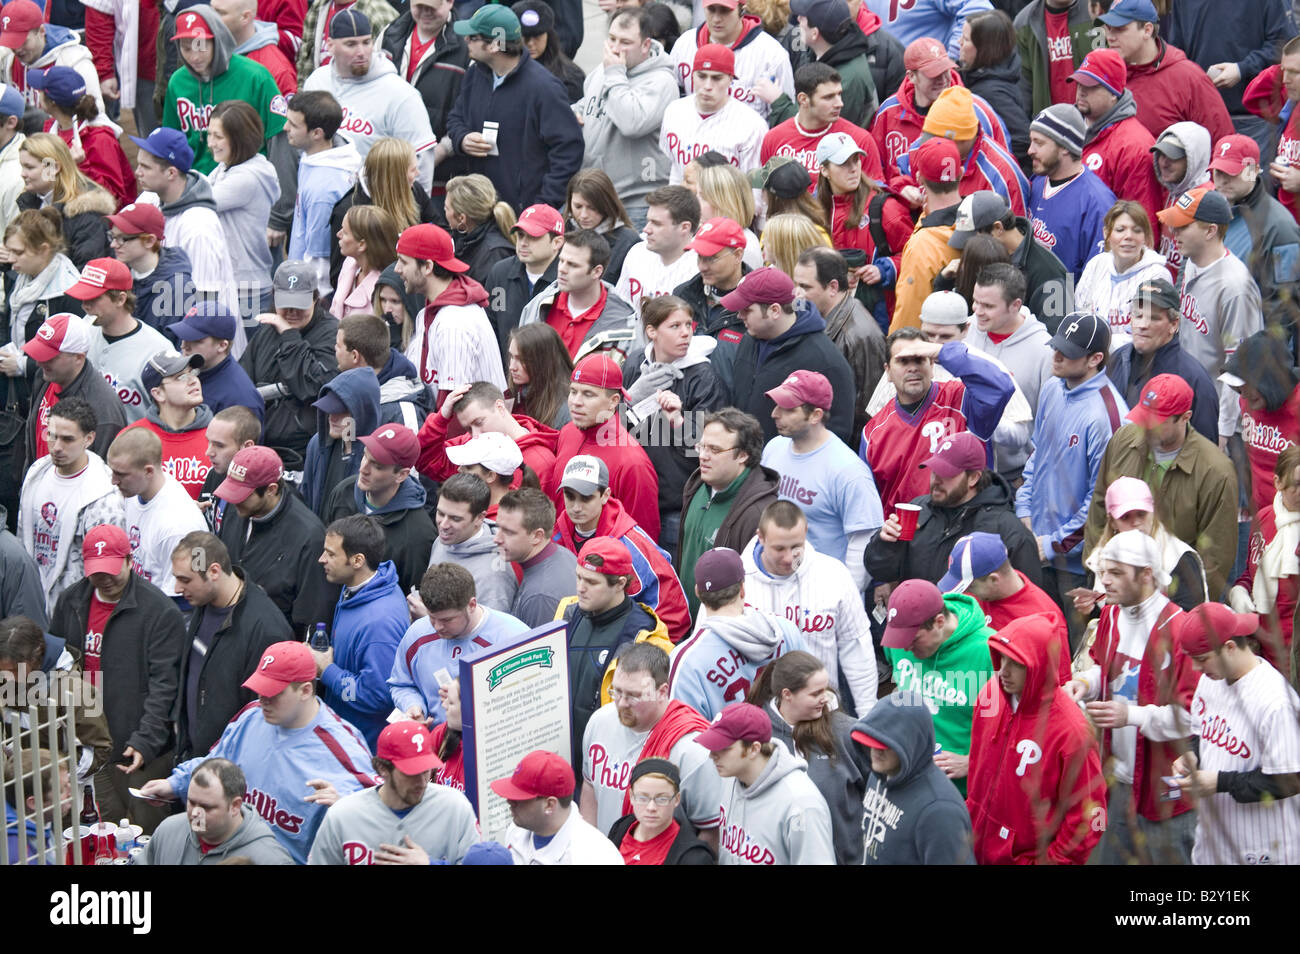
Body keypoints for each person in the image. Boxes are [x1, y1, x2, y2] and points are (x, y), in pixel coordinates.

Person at [137, 640, 379, 864]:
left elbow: (382, 817)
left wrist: (347, 807)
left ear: (305, 690)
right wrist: (175, 784)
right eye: (260, 688)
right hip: (229, 854)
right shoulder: (252, 716)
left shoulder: (342, 749)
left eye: (273, 693)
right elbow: (216, 763)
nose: (262, 699)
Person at [1067, 529, 1197, 864]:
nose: (1104, 582)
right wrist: (1085, 682)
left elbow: (1191, 717)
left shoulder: (1180, 628)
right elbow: (1105, 669)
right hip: (1115, 782)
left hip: (1162, 791)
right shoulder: (1110, 615)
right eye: (1103, 572)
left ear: (1147, 575)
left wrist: (1132, 716)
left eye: (1116, 573)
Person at [49, 523, 185, 828]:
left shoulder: (159, 612)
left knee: (143, 833)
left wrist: (145, 740)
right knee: (96, 832)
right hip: (86, 742)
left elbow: (165, 686)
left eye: (112, 569)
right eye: (97, 571)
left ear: (129, 560)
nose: (105, 579)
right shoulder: (72, 601)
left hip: (135, 748)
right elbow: (58, 665)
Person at [966, 613, 1107, 864]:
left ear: (1041, 664)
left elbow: (1089, 818)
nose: (1004, 671)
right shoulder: (990, 694)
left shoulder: (1072, 731)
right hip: (974, 847)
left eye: (1016, 664)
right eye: (1002, 659)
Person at [1085, 373, 1239, 599]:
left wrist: (1177, 612)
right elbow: (1099, 506)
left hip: (1172, 604)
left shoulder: (1216, 472)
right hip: (1113, 592)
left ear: (1185, 417)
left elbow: (1215, 558)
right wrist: (1098, 576)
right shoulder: (1123, 441)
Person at [1016, 313, 1126, 630]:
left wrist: (1051, 545)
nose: (1057, 356)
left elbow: (1102, 505)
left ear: (1095, 359)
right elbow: (1037, 456)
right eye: (1057, 346)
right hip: (1035, 547)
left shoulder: (1107, 415)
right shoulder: (1052, 388)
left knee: (1069, 657)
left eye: (1069, 352)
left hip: (1076, 567)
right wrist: (1024, 510)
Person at [1173, 602, 1300, 864]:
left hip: (1263, 846)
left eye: (1202, 658)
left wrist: (1221, 782)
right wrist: (1191, 755)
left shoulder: (1276, 702)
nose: (1196, 668)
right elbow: (1199, 733)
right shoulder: (1212, 680)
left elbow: (1291, 780)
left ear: (1230, 647)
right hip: (1213, 839)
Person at [741, 501, 876, 717]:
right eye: (779, 548)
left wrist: (868, 714)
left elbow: (856, 647)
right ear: (761, 537)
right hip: (760, 719)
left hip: (823, 714)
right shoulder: (738, 581)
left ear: (805, 532)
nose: (788, 557)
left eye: (796, 547)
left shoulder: (833, 574)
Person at [442, 4, 583, 211]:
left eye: (473, 37)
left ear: (494, 45)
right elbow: (455, 118)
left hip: (522, 215)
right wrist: (462, 138)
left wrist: (541, 206)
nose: (466, 41)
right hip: (481, 210)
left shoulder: (544, 88)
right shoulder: (475, 75)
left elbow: (569, 151)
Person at [580, 641, 720, 847]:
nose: (621, 703)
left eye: (633, 696)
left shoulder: (692, 749)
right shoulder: (600, 721)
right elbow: (589, 787)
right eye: (616, 692)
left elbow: (711, 832)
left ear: (662, 691)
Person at [860, 329, 1015, 513]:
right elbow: (868, 502)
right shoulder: (873, 433)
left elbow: (1001, 388)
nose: (912, 368)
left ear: (932, 364)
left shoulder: (962, 400)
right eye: (903, 361)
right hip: (906, 536)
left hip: (964, 531)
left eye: (919, 359)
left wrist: (943, 352)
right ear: (888, 371)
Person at [170, 530, 292, 761]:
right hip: (196, 757)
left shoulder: (265, 630)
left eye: (185, 580)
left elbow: (264, 718)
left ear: (214, 571)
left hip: (230, 769)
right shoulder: (204, 602)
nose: (176, 588)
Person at [865, 429, 1043, 587]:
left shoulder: (1006, 529)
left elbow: (1027, 602)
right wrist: (886, 543)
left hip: (973, 624)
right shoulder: (918, 509)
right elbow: (881, 571)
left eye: (947, 473)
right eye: (934, 471)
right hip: (922, 623)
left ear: (973, 478)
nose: (936, 480)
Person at [622, 295, 728, 554]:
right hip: (633, 494)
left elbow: (703, 449)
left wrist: (678, 421)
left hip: (676, 503)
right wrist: (629, 400)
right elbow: (610, 428)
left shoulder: (703, 377)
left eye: (688, 325)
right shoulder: (635, 364)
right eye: (675, 326)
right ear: (651, 331)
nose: (685, 334)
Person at [1157, 187, 1264, 442]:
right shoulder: (1191, 261)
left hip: (1219, 418)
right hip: (1190, 403)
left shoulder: (1235, 288)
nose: (1174, 232)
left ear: (1210, 230)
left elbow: (1241, 367)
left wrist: (1223, 432)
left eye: (1183, 226)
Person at [761, 370, 881, 584]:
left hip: (821, 593)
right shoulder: (773, 448)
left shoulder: (848, 471)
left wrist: (844, 597)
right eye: (777, 405)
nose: (775, 414)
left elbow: (862, 542)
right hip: (775, 584)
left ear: (815, 415)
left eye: (788, 408)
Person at [748, 650, 865, 865]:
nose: (825, 698)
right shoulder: (758, 736)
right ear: (787, 694)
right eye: (815, 693)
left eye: (825, 690)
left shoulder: (846, 732)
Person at [554, 455, 690, 640]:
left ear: (605, 495)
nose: (576, 507)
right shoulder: (557, 532)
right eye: (570, 496)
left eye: (586, 498)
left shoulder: (631, 544)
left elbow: (674, 610)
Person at [880, 578, 995, 796]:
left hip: (963, 791)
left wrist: (974, 761)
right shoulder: (901, 642)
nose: (904, 647)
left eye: (913, 640)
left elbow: (1013, 729)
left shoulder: (988, 652)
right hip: (910, 778)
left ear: (939, 621)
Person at [309, 719, 479, 865]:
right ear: (382, 768)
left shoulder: (456, 807)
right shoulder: (342, 816)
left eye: (426, 770)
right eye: (411, 773)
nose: (422, 781)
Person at [300, 9, 436, 188]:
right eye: (351, 44)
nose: (362, 52)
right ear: (330, 45)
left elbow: (421, 163)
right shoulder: (317, 81)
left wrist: (414, 213)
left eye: (366, 42)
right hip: (319, 195)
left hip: (372, 208)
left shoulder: (400, 94)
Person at [558, 537, 671, 753]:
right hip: (563, 751)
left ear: (620, 583)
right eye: (579, 578)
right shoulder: (567, 613)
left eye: (591, 582)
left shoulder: (646, 636)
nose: (580, 588)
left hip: (609, 756)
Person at [725, 267, 858, 447]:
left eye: (747, 310)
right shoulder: (749, 340)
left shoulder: (825, 361)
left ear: (774, 310)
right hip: (743, 462)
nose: (739, 316)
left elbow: (837, 432)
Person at [160, 4, 292, 184]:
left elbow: (279, 139)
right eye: (186, 48)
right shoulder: (178, 82)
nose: (194, 57)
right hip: (194, 186)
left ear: (217, 39)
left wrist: (281, 203)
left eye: (201, 46)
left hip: (246, 182)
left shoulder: (255, 76)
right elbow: (171, 143)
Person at [668, 546, 804, 719]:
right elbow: (813, 692)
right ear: (742, 588)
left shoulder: (687, 661)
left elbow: (682, 731)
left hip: (729, 746)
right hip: (789, 744)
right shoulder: (785, 629)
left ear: (698, 594)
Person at [215, 444, 338, 632]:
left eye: (242, 494)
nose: (233, 499)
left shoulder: (309, 538)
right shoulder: (238, 508)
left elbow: (313, 616)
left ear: (271, 489)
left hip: (273, 645)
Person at [695, 700, 835, 865]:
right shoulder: (730, 778)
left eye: (724, 748)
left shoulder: (802, 805)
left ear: (754, 749)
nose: (712, 755)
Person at [388, 562, 529, 725]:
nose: (437, 627)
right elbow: (401, 684)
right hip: (438, 746)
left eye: (447, 620)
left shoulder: (513, 638)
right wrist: (413, 706)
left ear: (472, 605)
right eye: (432, 617)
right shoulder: (417, 634)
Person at [574, 5, 677, 228]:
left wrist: (614, 74)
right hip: (594, 199)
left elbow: (632, 122)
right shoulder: (603, 71)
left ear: (646, 45)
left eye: (625, 42)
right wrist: (574, 113)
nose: (616, 48)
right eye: (612, 39)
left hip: (635, 206)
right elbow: (587, 105)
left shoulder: (661, 82)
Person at [18, 397, 123, 613]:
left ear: (89, 438)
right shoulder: (37, 473)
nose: (56, 447)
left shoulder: (103, 495)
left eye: (67, 439)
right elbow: (22, 536)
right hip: (32, 601)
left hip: (74, 610)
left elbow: (107, 569)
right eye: (52, 436)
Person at [314, 514, 407, 748]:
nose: (321, 559)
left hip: (363, 748)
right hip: (344, 733)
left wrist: (327, 670)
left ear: (357, 561)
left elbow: (377, 697)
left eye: (331, 554)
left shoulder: (379, 624)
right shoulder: (354, 589)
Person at [850, 689, 975, 864]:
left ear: (911, 744)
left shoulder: (941, 811)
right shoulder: (879, 775)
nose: (875, 752)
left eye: (885, 745)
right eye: (871, 741)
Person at [677, 408, 780, 617]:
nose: (703, 457)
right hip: (684, 624)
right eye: (702, 447)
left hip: (721, 631)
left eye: (714, 450)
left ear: (743, 455)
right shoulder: (697, 486)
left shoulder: (758, 515)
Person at [130, 127, 241, 323]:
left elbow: (203, 302)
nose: (137, 172)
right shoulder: (153, 200)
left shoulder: (198, 226)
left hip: (203, 341)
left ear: (171, 173)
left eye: (145, 167)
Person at [870, 35, 1009, 184]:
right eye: (934, 75)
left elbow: (1003, 167)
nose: (943, 80)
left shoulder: (976, 109)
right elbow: (874, 173)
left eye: (945, 71)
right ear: (912, 77)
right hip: (905, 204)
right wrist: (897, 194)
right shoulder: (888, 112)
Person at [240, 259, 341, 463]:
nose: (292, 312)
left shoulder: (333, 333)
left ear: (315, 298)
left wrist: (289, 335)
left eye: (299, 304)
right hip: (260, 446)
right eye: (285, 304)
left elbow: (313, 386)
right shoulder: (267, 330)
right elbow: (242, 383)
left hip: (305, 453)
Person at [551, 353, 660, 539]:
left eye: (588, 394)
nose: (576, 402)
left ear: (613, 401)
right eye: (573, 391)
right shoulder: (568, 432)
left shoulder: (633, 463)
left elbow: (642, 542)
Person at [393, 222, 504, 401]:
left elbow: (454, 410)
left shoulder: (453, 323)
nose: (397, 269)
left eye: (403, 262)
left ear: (428, 267)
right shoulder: (433, 311)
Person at [321, 424, 434, 595]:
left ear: (401, 475)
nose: (363, 469)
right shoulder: (344, 491)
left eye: (377, 466)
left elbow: (412, 597)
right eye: (365, 456)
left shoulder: (419, 534)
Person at [940, 531, 1070, 679]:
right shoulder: (973, 594)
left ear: (993, 579)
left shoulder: (1044, 618)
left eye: (970, 587)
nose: (965, 593)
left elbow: (1057, 684)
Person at [1099, 0, 1233, 143]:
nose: (1110, 37)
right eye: (1108, 28)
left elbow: (1224, 145)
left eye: (1120, 29)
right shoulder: (1104, 75)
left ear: (1147, 30)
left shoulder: (1188, 78)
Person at [1106, 277, 1219, 443]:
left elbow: (1204, 454)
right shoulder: (1117, 359)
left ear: (1174, 325)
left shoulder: (1193, 378)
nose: (1142, 325)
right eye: (1138, 315)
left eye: (1154, 318)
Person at [377, 0, 469, 202]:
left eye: (432, 7)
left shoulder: (466, 46)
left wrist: (440, 151)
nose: (426, 12)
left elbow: (470, 113)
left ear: (449, 2)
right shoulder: (390, 33)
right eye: (420, 6)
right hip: (387, 170)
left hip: (439, 179)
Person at [792, 247, 886, 438]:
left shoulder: (860, 336)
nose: (797, 294)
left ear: (833, 287)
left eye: (806, 287)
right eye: (796, 284)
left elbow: (868, 410)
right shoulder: (819, 318)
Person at [1213, 134, 1300, 338]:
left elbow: (1284, 310)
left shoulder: (1279, 227)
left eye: (1231, 172)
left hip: (1249, 350)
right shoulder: (1212, 210)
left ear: (1252, 172)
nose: (1223, 180)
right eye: (1218, 171)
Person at [105, 426, 207, 596]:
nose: (114, 481)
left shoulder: (178, 526)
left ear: (148, 471)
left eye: (120, 474)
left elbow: (184, 600)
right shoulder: (134, 490)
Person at [1071, 47, 1164, 231]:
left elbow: (1141, 223)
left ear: (1113, 93)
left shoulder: (1134, 146)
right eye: (1079, 83)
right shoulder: (1069, 127)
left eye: (1090, 86)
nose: (1081, 91)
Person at [138, 757, 293, 864]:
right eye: (191, 802)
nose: (195, 813)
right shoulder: (169, 830)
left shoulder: (271, 859)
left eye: (206, 807)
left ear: (235, 806)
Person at [417, 380, 559, 495]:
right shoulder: (472, 443)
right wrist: (441, 417)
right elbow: (424, 460)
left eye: (479, 422)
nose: (476, 435)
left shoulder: (541, 461)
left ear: (500, 407)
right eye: (468, 428)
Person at [21, 311, 126, 467]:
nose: (39, 362)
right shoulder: (45, 377)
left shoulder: (103, 409)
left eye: (50, 356)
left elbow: (104, 474)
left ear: (78, 357)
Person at [1025, 103, 1118, 279]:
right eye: (1031, 141)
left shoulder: (1098, 203)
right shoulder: (1038, 181)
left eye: (1039, 143)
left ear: (1065, 146)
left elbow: (1097, 277)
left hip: (1064, 301)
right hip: (1029, 298)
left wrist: (1067, 304)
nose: (1030, 150)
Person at [205, 100, 279, 315]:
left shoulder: (247, 178)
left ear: (239, 139)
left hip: (247, 291)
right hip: (235, 284)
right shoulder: (225, 168)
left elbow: (198, 200)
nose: (211, 143)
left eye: (218, 137)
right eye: (210, 134)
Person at [72, 259, 168, 424]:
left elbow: (169, 418)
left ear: (120, 299)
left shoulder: (158, 350)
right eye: (82, 298)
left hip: (132, 446)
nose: (85, 305)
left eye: (93, 298)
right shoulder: (83, 333)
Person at [762, 62, 883, 193]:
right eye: (829, 97)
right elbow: (766, 193)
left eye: (839, 94)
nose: (839, 103)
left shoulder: (859, 140)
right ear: (803, 99)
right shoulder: (774, 138)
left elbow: (874, 193)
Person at [282, 90, 360, 289]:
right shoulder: (314, 156)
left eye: (294, 125)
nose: (285, 128)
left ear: (317, 133)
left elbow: (319, 261)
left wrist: (297, 298)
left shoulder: (323, 190)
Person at [517, 230, 636, 361]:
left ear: (596, 272)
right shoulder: (538, 306)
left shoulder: (625, 323)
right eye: (561, 261)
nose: (562, 269)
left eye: (572, 265)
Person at [27, 66, 134, 210]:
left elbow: (114, 199)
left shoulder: (100, 139)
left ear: (52, 102)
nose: (37, 93)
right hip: (60, 213)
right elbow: (49, 179)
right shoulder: (51, 129)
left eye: (40, 90)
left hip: (94, 225)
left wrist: (82, 166)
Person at [1233, 442, 1300, 671]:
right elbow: (1250, 572)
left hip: (1294, 659)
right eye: (1297, 485)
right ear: (1278, 482)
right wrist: (1240, 590)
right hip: (1262, 654)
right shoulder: (1263, 519)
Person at [671, 0, 794, 124]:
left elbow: (786, 117)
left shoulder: (772, 54)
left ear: (742, 9)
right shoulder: (685, 44)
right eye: (711, 9)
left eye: (725, 10)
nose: (717, 18)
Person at [660, 44, 766, 187]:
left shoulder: (752, 124)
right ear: (692, 75)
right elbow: (675, 170)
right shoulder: (674, 111)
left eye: (716, 78)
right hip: (683, 204)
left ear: (730, 79)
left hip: (727, 207)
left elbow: (754, 188)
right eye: (702, 76)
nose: (708, 85)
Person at [494, 749, 624, 865]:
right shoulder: (516, 831)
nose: (510, 802)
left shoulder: (597, 857)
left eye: (520, 799)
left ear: (550, 804)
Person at [889, 137, 964, 332]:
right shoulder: (981, 218)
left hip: (932, 349)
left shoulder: (923, 246)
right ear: (961, 174)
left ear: (920, 178)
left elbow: (909, 319)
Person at [0, 210, 82, 385]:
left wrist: (24, 365)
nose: (11, 259)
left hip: (49, 388)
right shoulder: (19, 276)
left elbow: (75, 356)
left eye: (18, 252)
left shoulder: (68, 291)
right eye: (9, 251)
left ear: (43, 250)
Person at [1224, 331, 1300, 517]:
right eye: (1238, 388)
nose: (1242, 396)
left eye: (1247, 387)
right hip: (1262, 513)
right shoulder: (1247, 401)